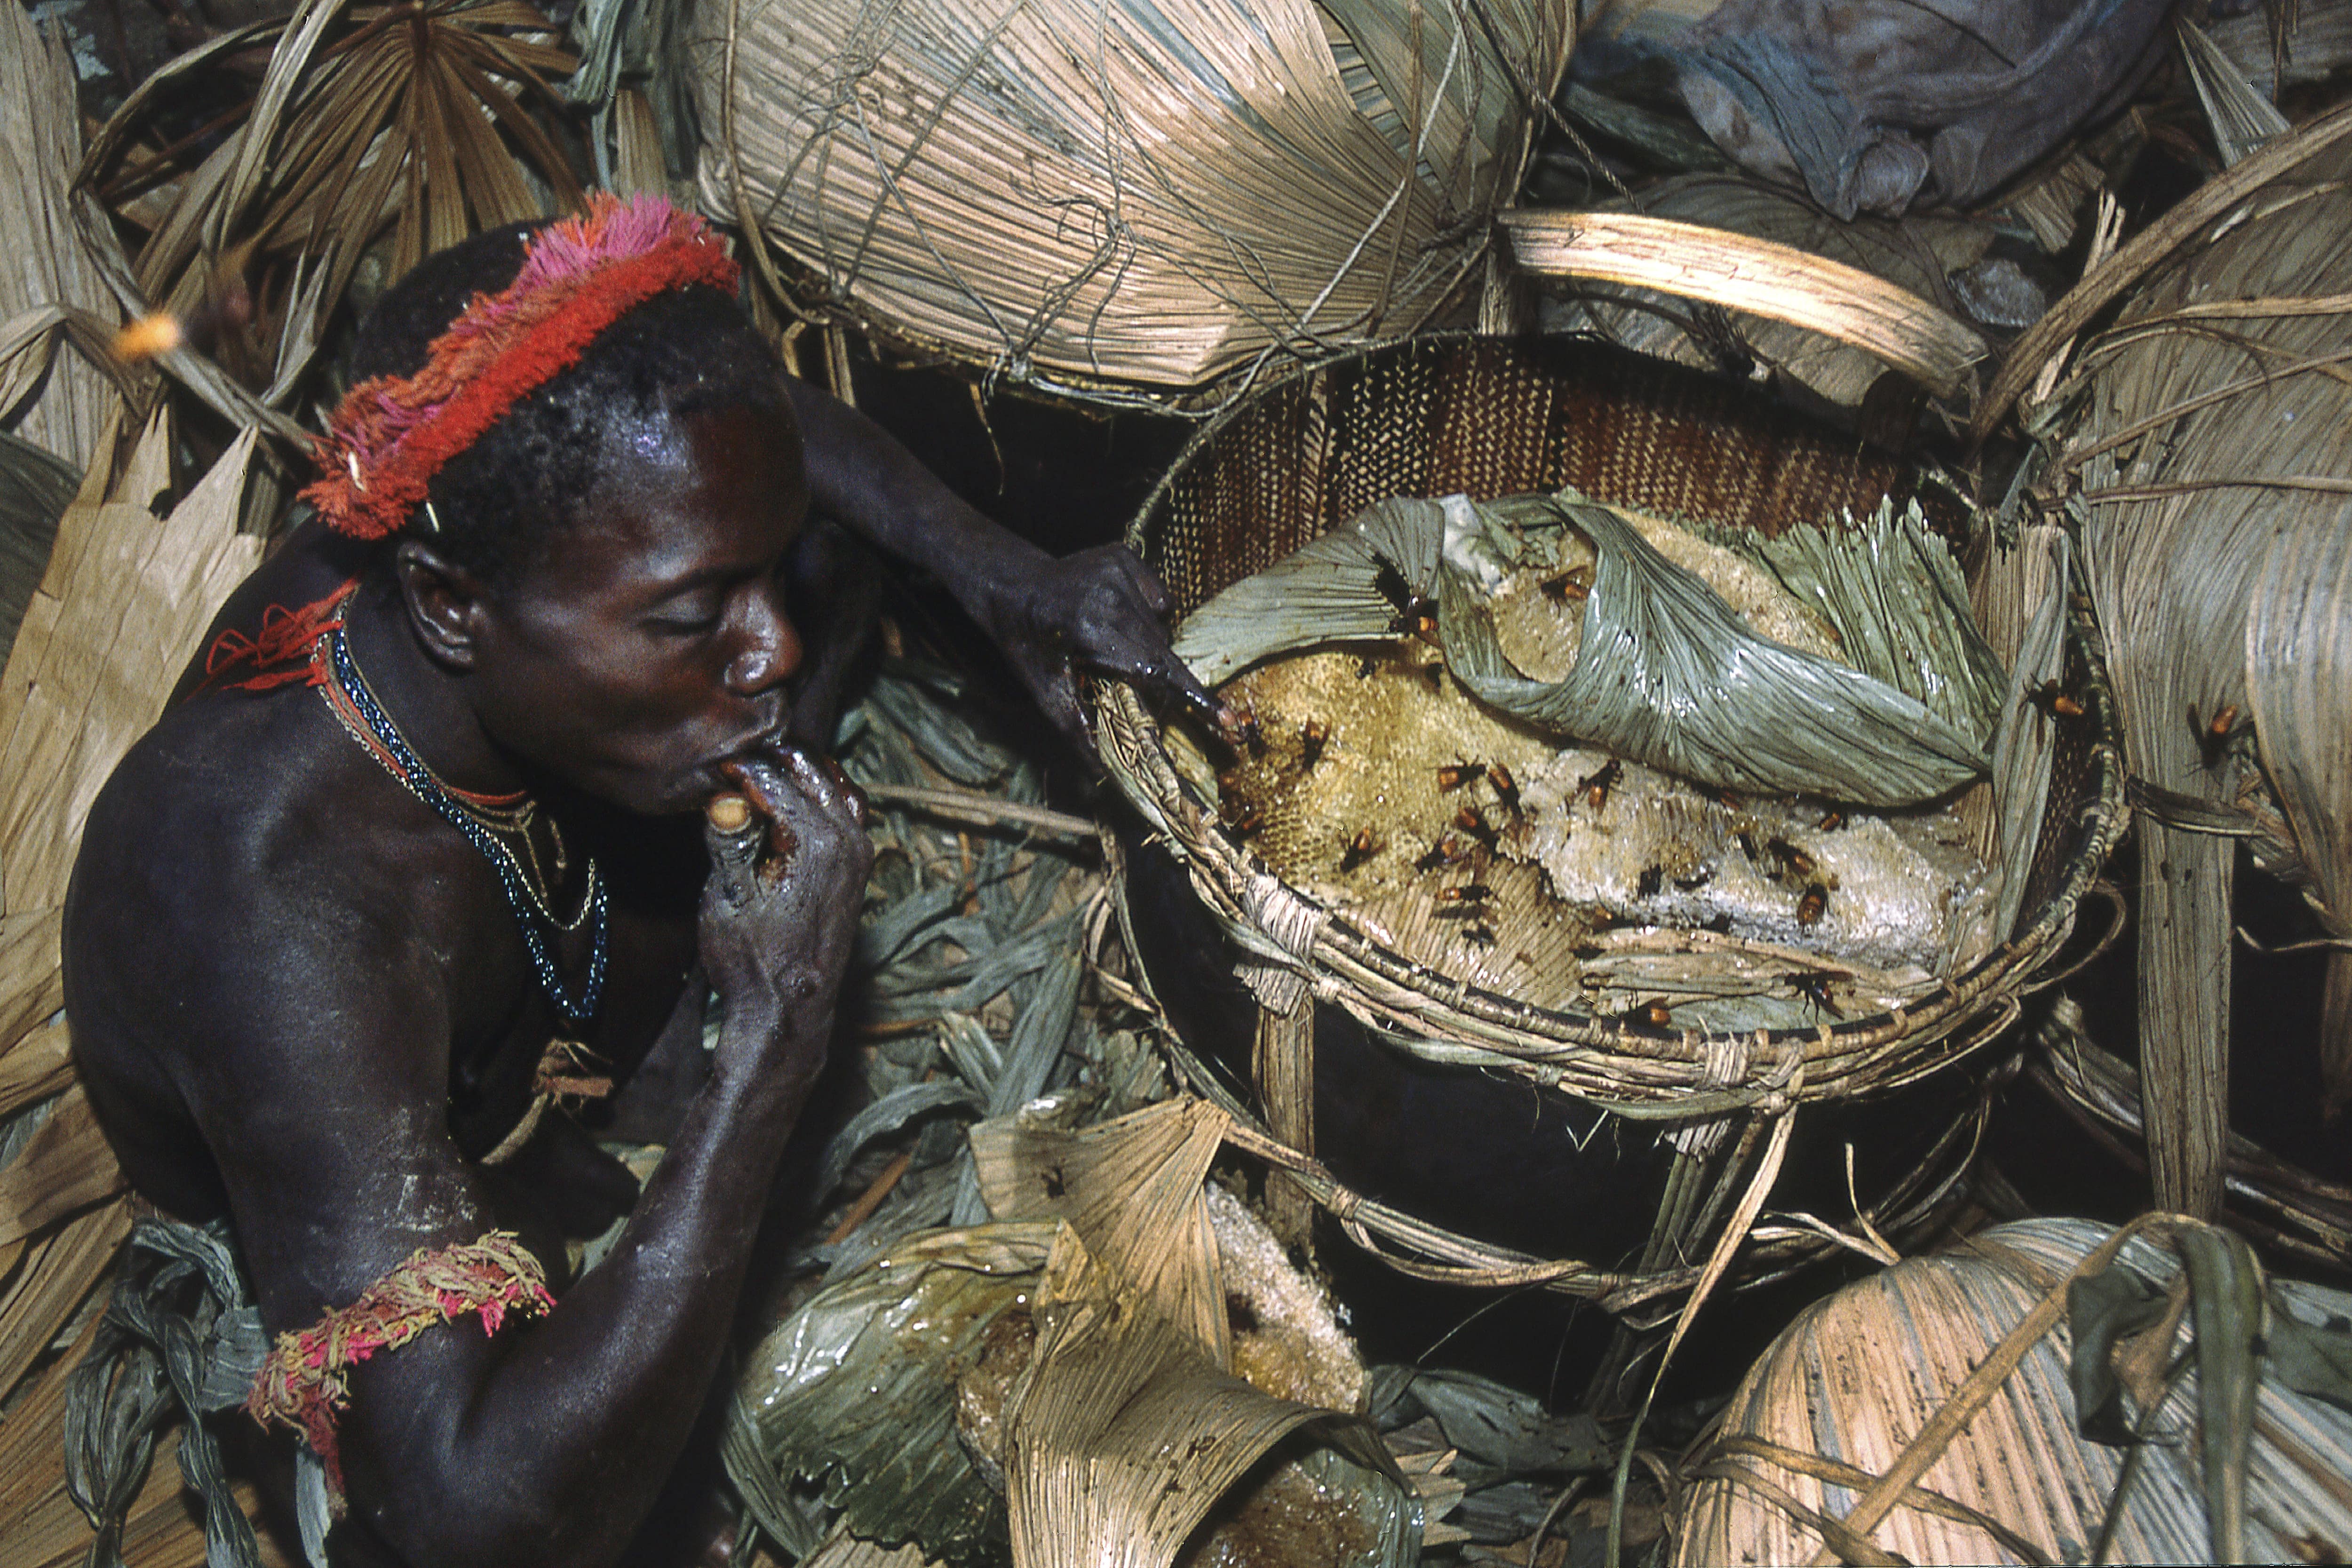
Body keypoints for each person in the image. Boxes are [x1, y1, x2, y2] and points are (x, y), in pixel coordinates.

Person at [61, 195, 1212, 1567]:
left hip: (526, 1005)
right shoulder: (278, 908)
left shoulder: (538, 563)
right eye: (690, 616)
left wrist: (1007, 579)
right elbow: (468, 1527)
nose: (772, 650)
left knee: (820, 550)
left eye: (756, 582)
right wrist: (769, 1050)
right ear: (446, 608)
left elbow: (760, 437)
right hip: (350, 1181)